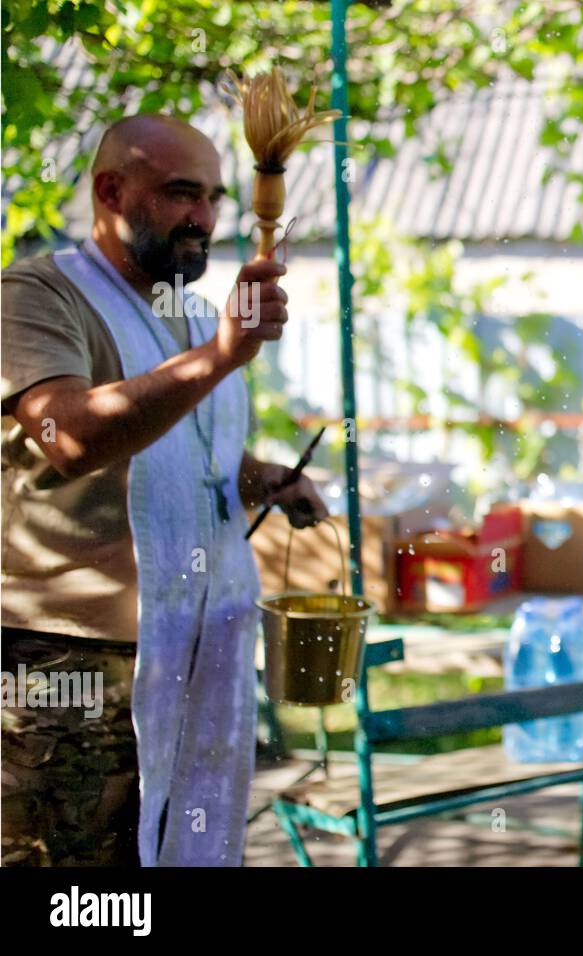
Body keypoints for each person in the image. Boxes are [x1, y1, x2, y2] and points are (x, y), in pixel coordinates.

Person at [1, 114, 329, 866]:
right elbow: (73, 438)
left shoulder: (181, 316)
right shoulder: (35, 294)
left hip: (187, 647)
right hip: (67, 669)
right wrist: (219, 357)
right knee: (74, 883)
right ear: (111, 191)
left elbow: (188, 448)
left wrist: (268, 480)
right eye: (182, 194)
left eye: (214, 198)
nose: (205, 219)